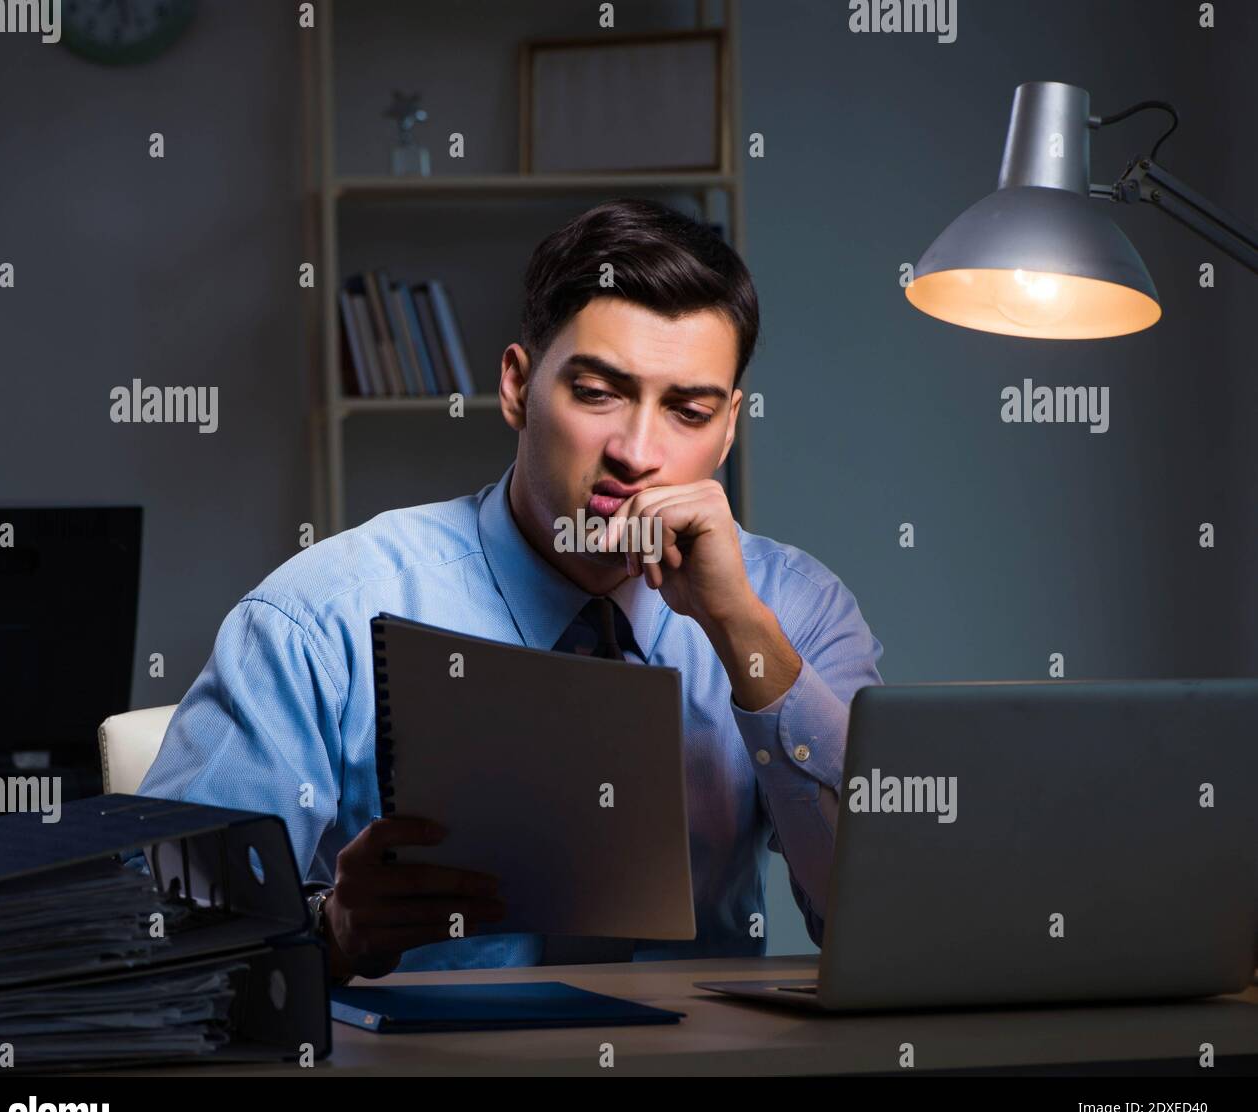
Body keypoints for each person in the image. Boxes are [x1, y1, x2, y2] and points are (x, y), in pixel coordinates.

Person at [136, 197, 884, 983]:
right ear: (518, 387)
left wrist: (742, 635)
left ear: (729, 428)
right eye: (597, 393)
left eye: (687, 411)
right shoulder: (321, 615)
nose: (637, 451)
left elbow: (878, 924)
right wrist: (328, 930)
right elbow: (158, 929)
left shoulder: (796, 609)